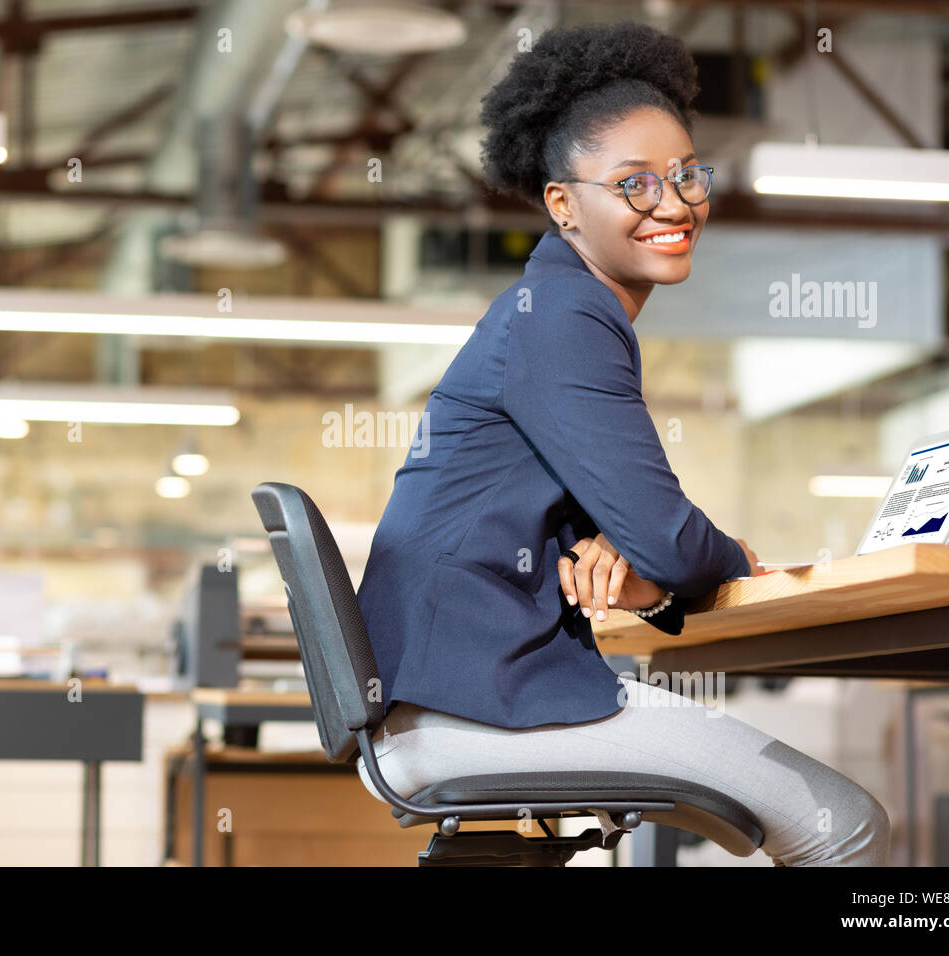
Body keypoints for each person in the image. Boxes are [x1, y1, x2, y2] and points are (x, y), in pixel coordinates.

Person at [353, 20, 889, 866]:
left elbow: (648, 545)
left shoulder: (554, 309)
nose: (673, 204)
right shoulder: (565, 317)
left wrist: (637, 565)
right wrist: (727, 559)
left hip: (453, 700)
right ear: (564, 203)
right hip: (476, 707)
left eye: (686, 176)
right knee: (845, 823)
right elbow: (674, 539)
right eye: (635, 184)